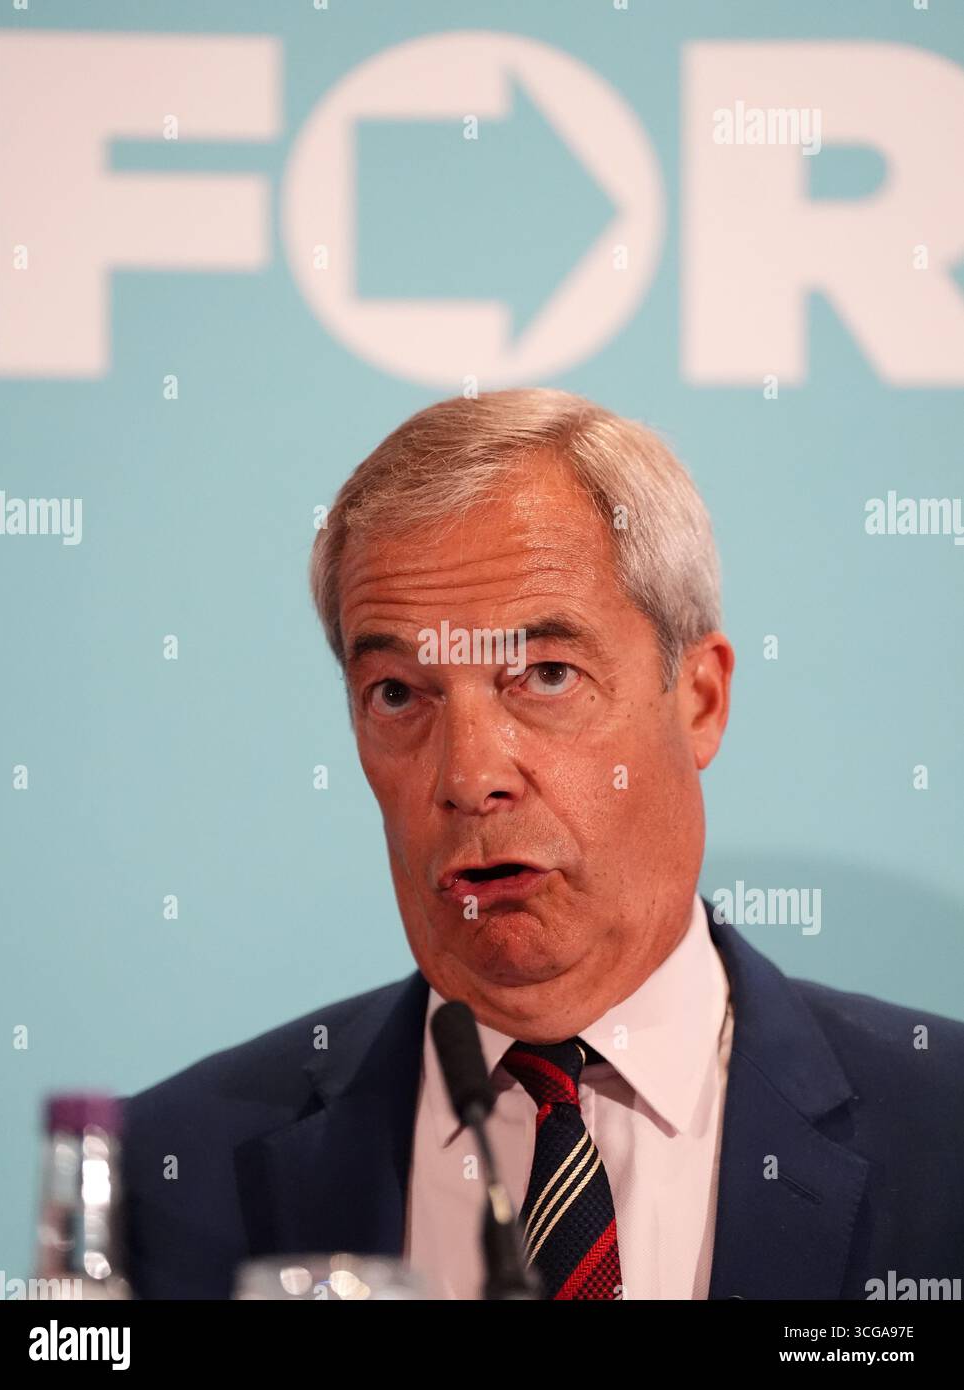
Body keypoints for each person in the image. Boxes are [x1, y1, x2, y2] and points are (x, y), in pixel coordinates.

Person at [122, 388, 964, 1300]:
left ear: (700, 701)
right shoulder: (173, 1169)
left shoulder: (942, 1133)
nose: (469, 776)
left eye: (546, 675)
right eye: (399, 693)